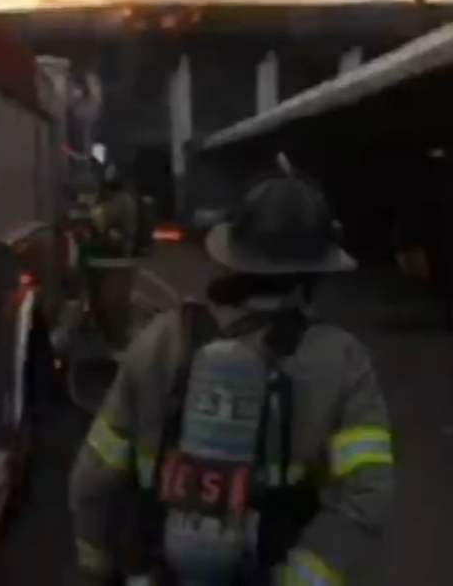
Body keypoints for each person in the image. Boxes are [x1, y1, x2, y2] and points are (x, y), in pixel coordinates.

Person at [69, 157, 395, 585]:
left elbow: (93, 479)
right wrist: (301, 578)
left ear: (233, 256)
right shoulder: (343, 361)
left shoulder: (162, 339)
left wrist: (95, 565)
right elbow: (367, 496)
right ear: (317, 269)